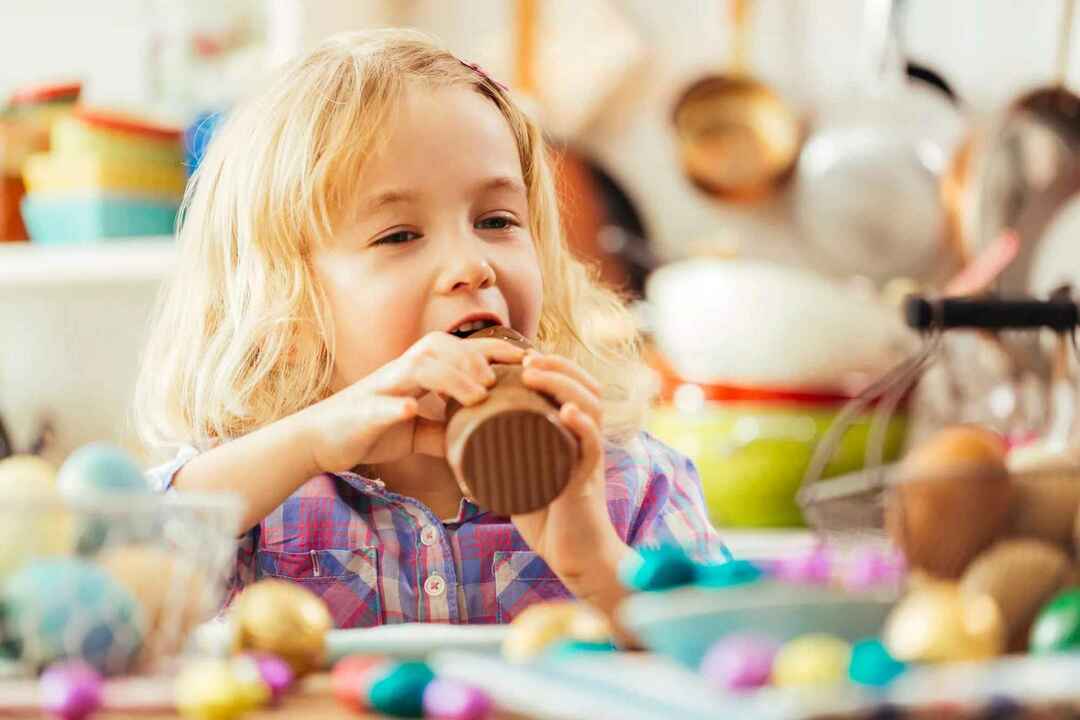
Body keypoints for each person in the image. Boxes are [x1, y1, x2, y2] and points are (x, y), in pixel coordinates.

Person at [136, 29, 723, 630]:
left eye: (496, 220)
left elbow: (731, 666)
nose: (474, 264)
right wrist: (308, 442)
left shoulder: (629, 482)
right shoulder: (257, 496)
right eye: (399, 235)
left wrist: (597, 564)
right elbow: (113, 586)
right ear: (285, 309)